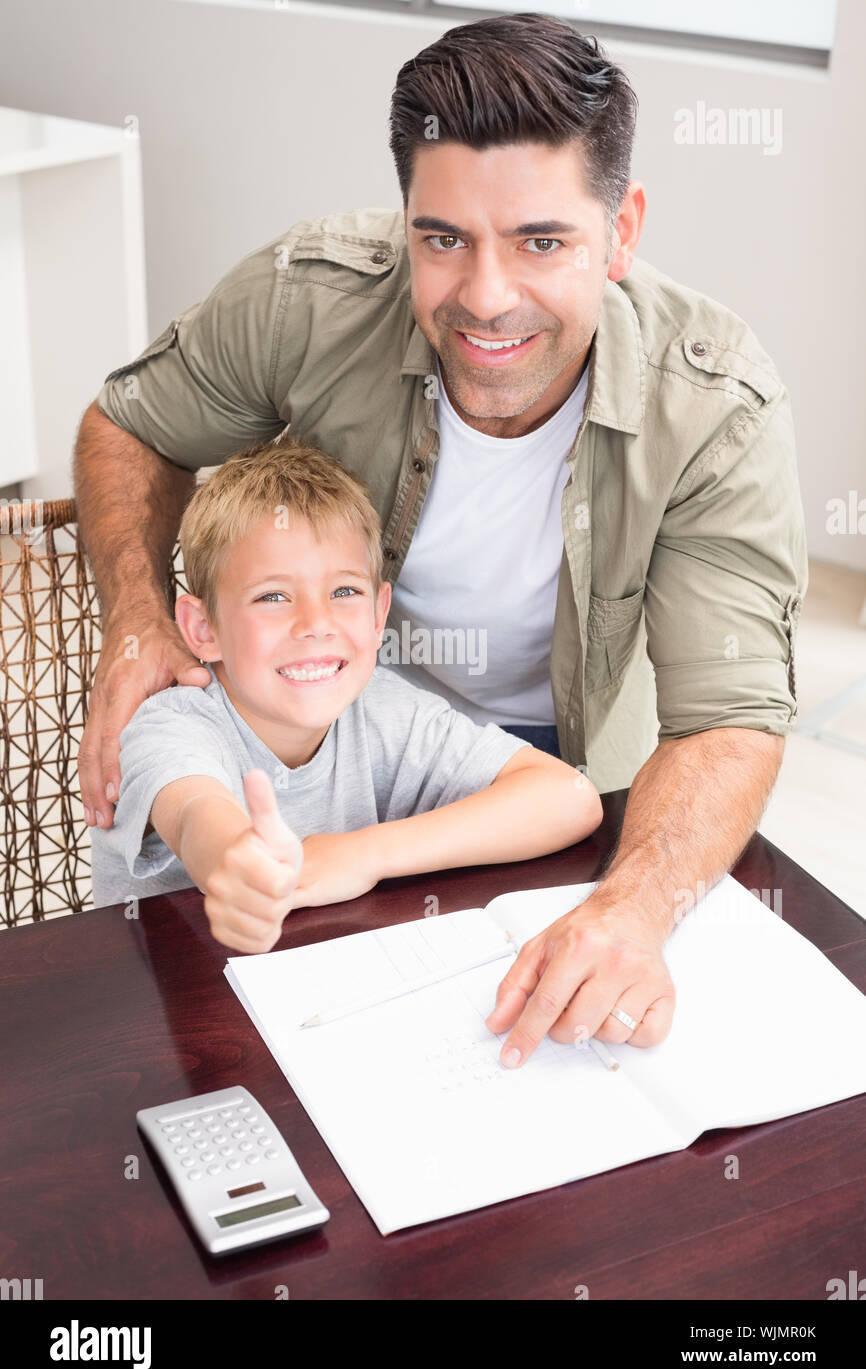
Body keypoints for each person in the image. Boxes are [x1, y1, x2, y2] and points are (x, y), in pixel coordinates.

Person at [74, 14, 807, 1062]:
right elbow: (129, 420)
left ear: (621, 229)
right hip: (330, 749)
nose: (485, 296)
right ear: (405, 219)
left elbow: (726, 718)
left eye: (541, 241)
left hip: (548, 792)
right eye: (442, 238)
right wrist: (139, 614)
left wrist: (634, 906)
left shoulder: (715, 404)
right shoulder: (307, 296)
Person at [88, 437, 604, 961]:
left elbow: (570, 797)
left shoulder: (383, 708)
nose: (316, 625)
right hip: (165, 1013)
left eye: (344, 592)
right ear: (202, 628)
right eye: (272, 596)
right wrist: (234, 858)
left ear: (379, 615)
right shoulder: (171, 724)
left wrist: (363, 855)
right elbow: (196, 812)